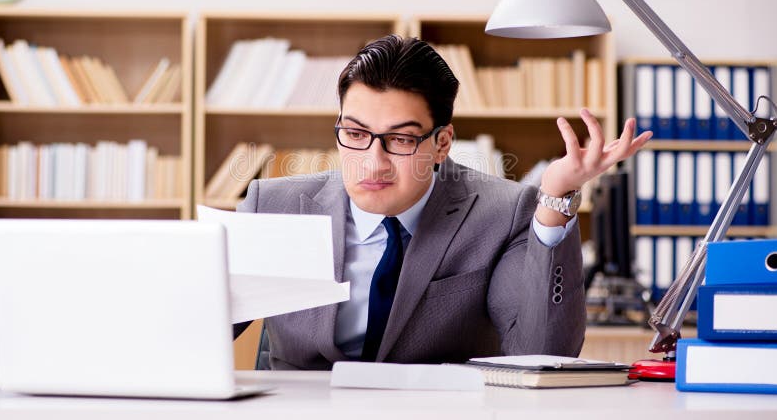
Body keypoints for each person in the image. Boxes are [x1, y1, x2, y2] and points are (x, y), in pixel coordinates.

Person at [235, 35, 651, 370]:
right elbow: (192, 331)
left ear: (442, 143)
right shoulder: (274, 207)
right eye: (356, 134)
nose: (373, 163)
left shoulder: (501, 214)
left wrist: (555, 199)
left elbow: (543, 352)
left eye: (400, 139)